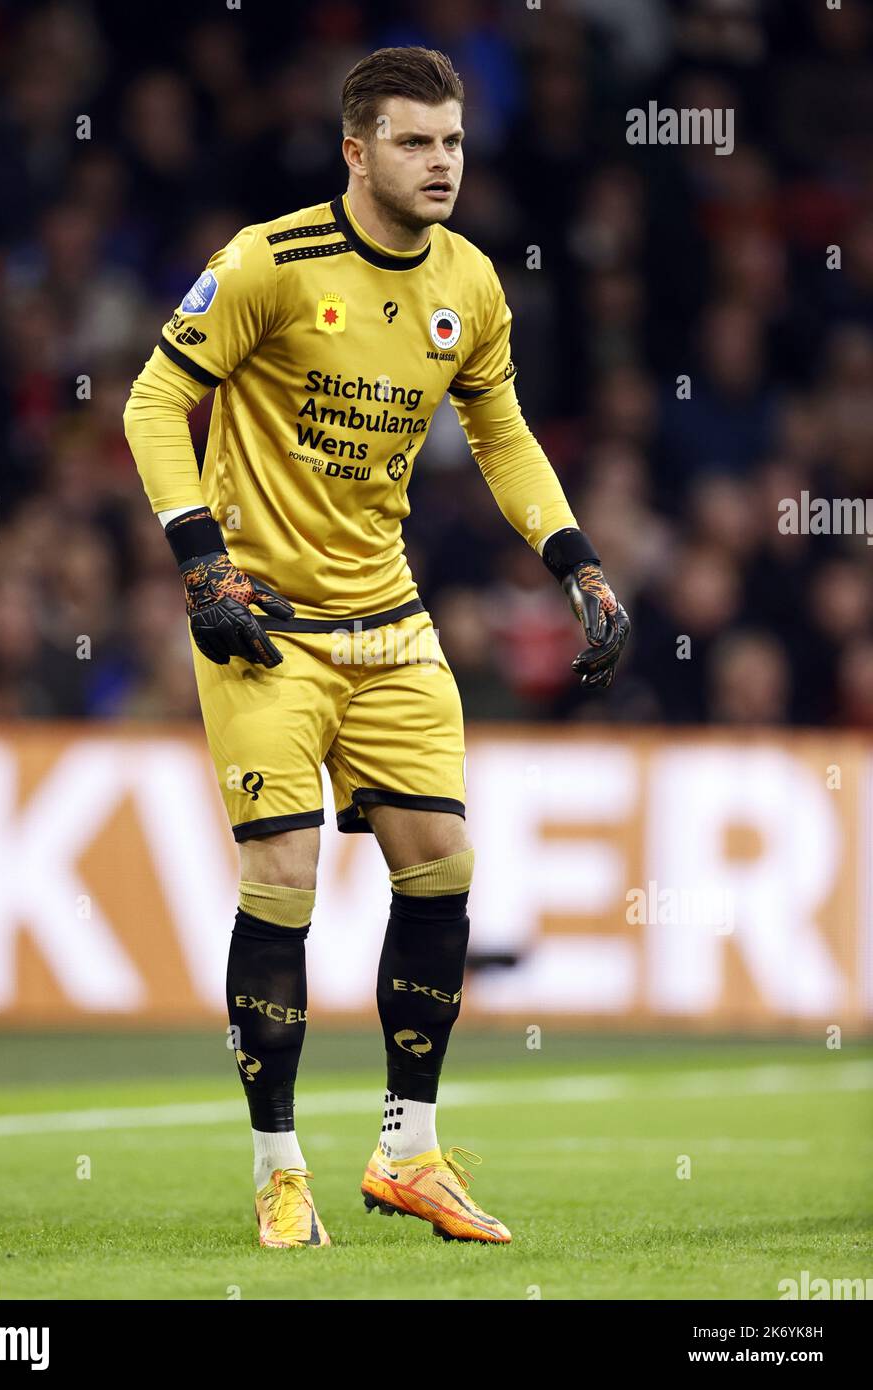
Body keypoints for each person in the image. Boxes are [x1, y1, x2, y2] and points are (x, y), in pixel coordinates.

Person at [124, 45, 629, 1248]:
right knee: (285, 878)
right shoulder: (268, 262)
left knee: (443, 865)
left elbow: (503, 439)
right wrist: (201, 560)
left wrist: (578, 562)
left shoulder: (472, 282)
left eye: (452, 141)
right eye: (413, 141)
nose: (441, 161)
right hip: (267, 628)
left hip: (393, 627)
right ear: (356, 151)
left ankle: (409, 1149)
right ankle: (278, 1167)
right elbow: (153, 401)